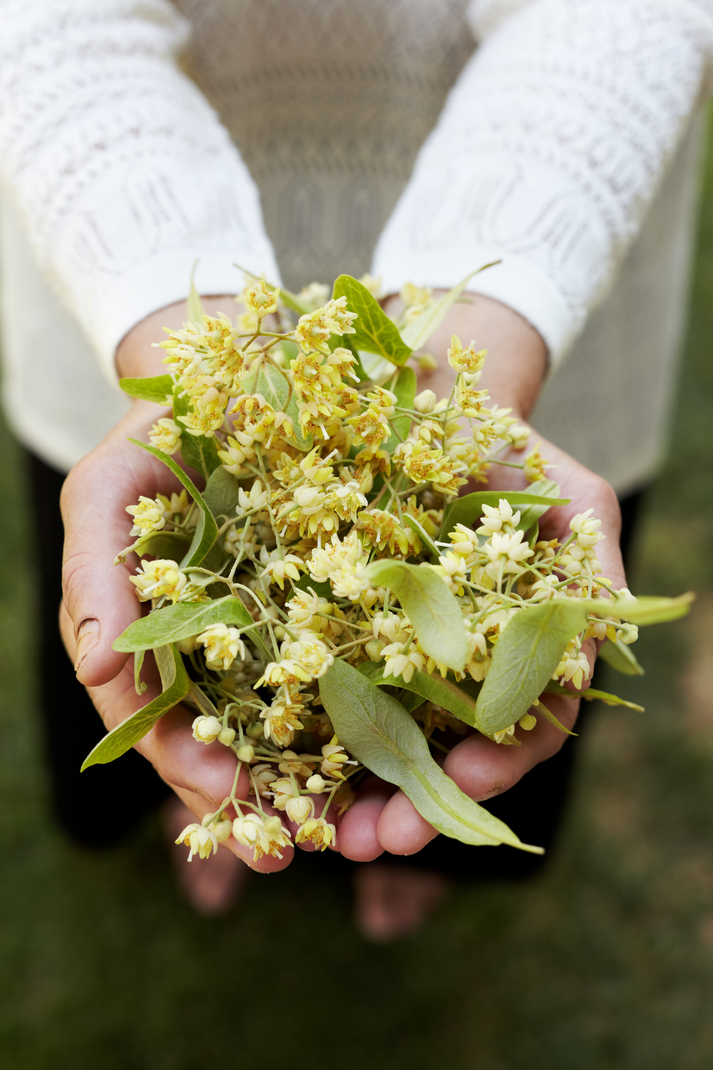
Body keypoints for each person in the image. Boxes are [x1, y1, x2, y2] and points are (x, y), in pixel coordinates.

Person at [1, 0, 711, 941]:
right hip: (134, 261)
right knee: (151, 615)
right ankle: (222, 786)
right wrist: (178, 321)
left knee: (481, 704)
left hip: (533, 262)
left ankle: (418, 847)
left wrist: (488, 319)